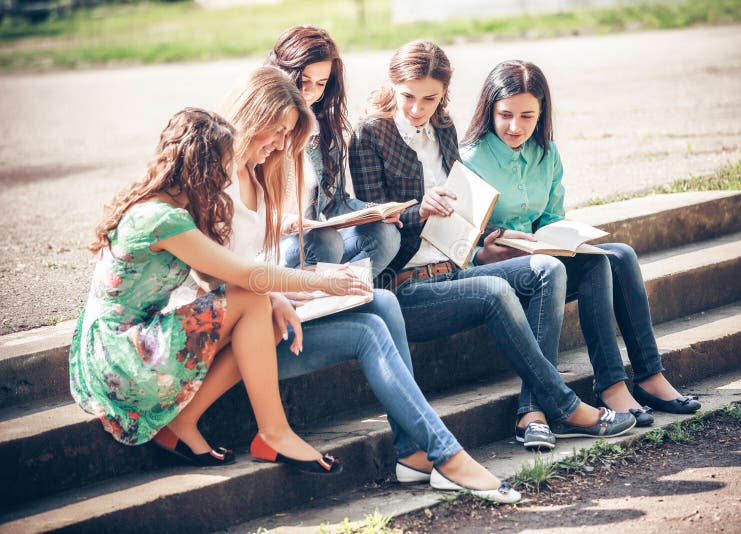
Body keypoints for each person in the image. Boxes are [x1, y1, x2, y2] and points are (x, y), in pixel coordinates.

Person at [181, 65, 518, 502]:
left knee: (382, 302)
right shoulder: (217, 175)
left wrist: (300, 288)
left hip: (265, 310)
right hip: (226, 327)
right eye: (275, 133)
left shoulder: (260, 174)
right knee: (368, 329)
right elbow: (213, 273)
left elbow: (250, 267)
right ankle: (446, 456)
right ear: (250, 116)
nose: (280, 146)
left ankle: (415, 451)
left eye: (287, 136)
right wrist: (309, 284)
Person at [349, 40, 636, 453]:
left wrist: (486, 240)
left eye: (430, 98)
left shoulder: (444, 129)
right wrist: (418, 211)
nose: (417, 108)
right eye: (408, 96)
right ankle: (565, 406)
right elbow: (373, 225)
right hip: (405, 285)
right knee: (497, 289)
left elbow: (463, 206)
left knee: (547, 268)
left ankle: (531, 411)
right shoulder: (370, 134)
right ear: (392, 85)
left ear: (444, 94)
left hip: (453, 268)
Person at [69, 107, 368, 475]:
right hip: (121, 359)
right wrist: (320, 281)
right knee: (254, 298)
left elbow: (216, 279)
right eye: (224, 166)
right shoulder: (164, 219)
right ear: (203, 169)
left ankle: (183, 423)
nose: (228, 175)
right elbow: (246, 274)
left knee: (266, 314)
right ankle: (274, 431)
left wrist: (274, 298)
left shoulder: (165, 203)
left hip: (114, 344)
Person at [460, 60, 701, 435]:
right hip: (499, 271)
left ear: (541, 114)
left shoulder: (546, 153)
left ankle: (647, 377)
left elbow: (551, 219)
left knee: (619, 255)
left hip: (542, 262)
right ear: (490, 109)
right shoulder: (470, 159)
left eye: (527, 116)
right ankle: (611, 384)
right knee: (595, 267)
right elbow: (459, 242)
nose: (515, 127)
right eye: (505, 115)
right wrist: (481, 253)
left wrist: (563, 238)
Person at [265, 25, 401, 274]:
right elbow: (243, 212)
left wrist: (374, 210)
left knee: (386, 234)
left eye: (320, 83)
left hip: (314, 240)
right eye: (303, 81)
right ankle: (324, 297)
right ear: (282, 72)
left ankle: (349, 298)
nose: (310, 93)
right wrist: (283, 221)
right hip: (272, 244)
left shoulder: (324, 131)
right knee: (326, 239)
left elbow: (336, 202)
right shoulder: (264, 131)